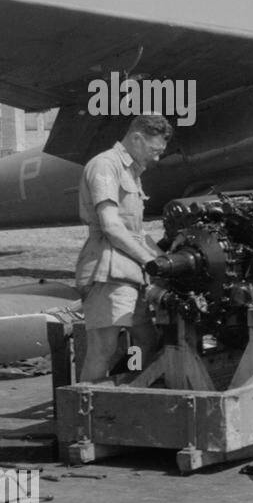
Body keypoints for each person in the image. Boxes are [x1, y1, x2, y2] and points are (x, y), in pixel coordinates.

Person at [74, 111, 171, 382]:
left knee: (146, 342)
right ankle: (86, 414)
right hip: (109, 271)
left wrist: (165, 258)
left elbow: (135, 232)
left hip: (129, 272)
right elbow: (111, 226)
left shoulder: (131, 172)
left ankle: (127, 387)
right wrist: (151, 261)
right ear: (137, 139)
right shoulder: (105, 165)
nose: (157, 157)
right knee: (103, 348)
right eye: (155, 149)